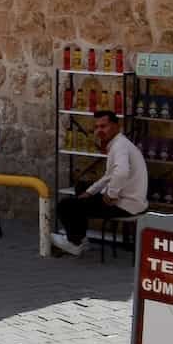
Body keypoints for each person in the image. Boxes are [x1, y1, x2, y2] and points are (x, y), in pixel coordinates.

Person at [52, 110, 147, 257]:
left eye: (104, 126)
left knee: (65, 205)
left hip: (125, 204)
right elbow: (109, 176)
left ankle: (75, 243)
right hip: (128, 200)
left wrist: (111, 194)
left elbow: (121, 173)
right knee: (81, 190)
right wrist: (90, 192)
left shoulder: (120, 146)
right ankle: (81, 239)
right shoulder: (119, 143)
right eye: (96, 127)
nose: (99, 131)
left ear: (116, 126)